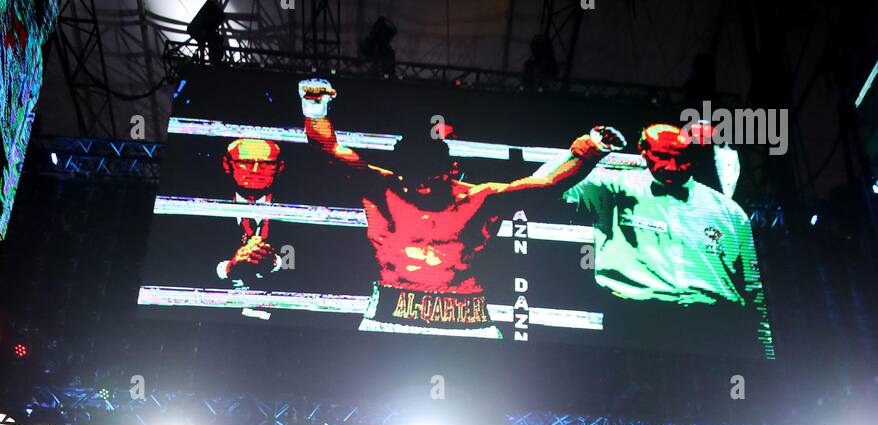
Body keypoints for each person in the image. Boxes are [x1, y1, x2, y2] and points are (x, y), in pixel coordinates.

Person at [299, 76, 626, 336]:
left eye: (430, 178)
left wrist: (591, 148)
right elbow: (328, 149)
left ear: (452, 171)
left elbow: (549, 184)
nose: (422, 187)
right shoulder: (382, 188)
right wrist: (314, 107)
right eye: (414, 178)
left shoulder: (481, 199)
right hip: (390, 312)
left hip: (466, 318)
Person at [563, 122, 772, 355]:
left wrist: (766, 351)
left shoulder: (730, 213)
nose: (672, 167)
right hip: (633, 324)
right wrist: (582, 154)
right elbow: (546, 189)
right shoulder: (611, 187)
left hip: (715, 333)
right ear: (644, 152)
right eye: (663, 156)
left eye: (680, 157)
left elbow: (754, 290)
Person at [216, 138, 286, 285]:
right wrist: (229, 268)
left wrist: (275, 262)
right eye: (247, 163)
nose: (255, 171)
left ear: (280, 167)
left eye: (266, 164)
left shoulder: (299, 209)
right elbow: (188, 264)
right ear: (227, 164)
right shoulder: (202, 206)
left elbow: (312, 264)